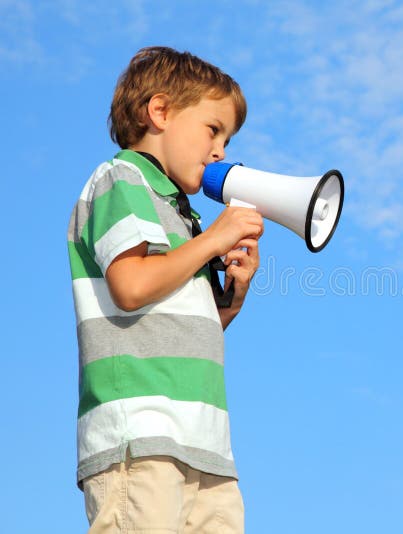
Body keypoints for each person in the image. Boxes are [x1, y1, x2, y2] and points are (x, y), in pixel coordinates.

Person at [67, 46, 264, 533]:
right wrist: (213, 240)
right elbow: (132, 287)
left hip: (207, 447)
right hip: (141, 436)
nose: (220, 151)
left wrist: (231, 298)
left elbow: (180, 328)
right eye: (213, 129)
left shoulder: (183, 216)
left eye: (227, 138)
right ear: (159, 112)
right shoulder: (121, 179)